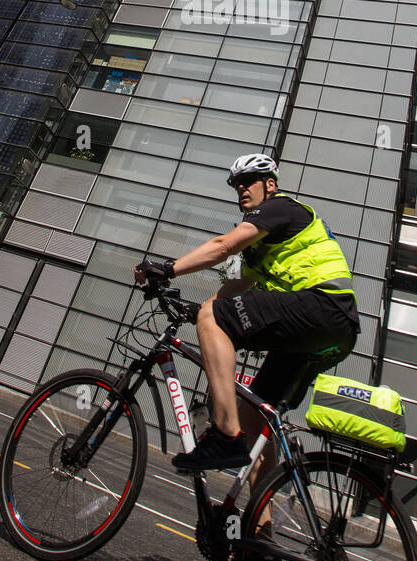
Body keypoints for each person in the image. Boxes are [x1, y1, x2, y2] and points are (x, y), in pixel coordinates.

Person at [134, 152, 359, 485]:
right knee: (256, 422)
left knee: (215, 321)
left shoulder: (280, 208)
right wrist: (199, 311)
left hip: (322, 306)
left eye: (248, 181)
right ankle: (260, 528)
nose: (241, 189)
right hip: (330, 331)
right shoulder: (261, 246)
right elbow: (234, 288)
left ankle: (224, 436)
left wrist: (168, 269)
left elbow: (224, 246)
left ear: (270, 184)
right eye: (236, 184)